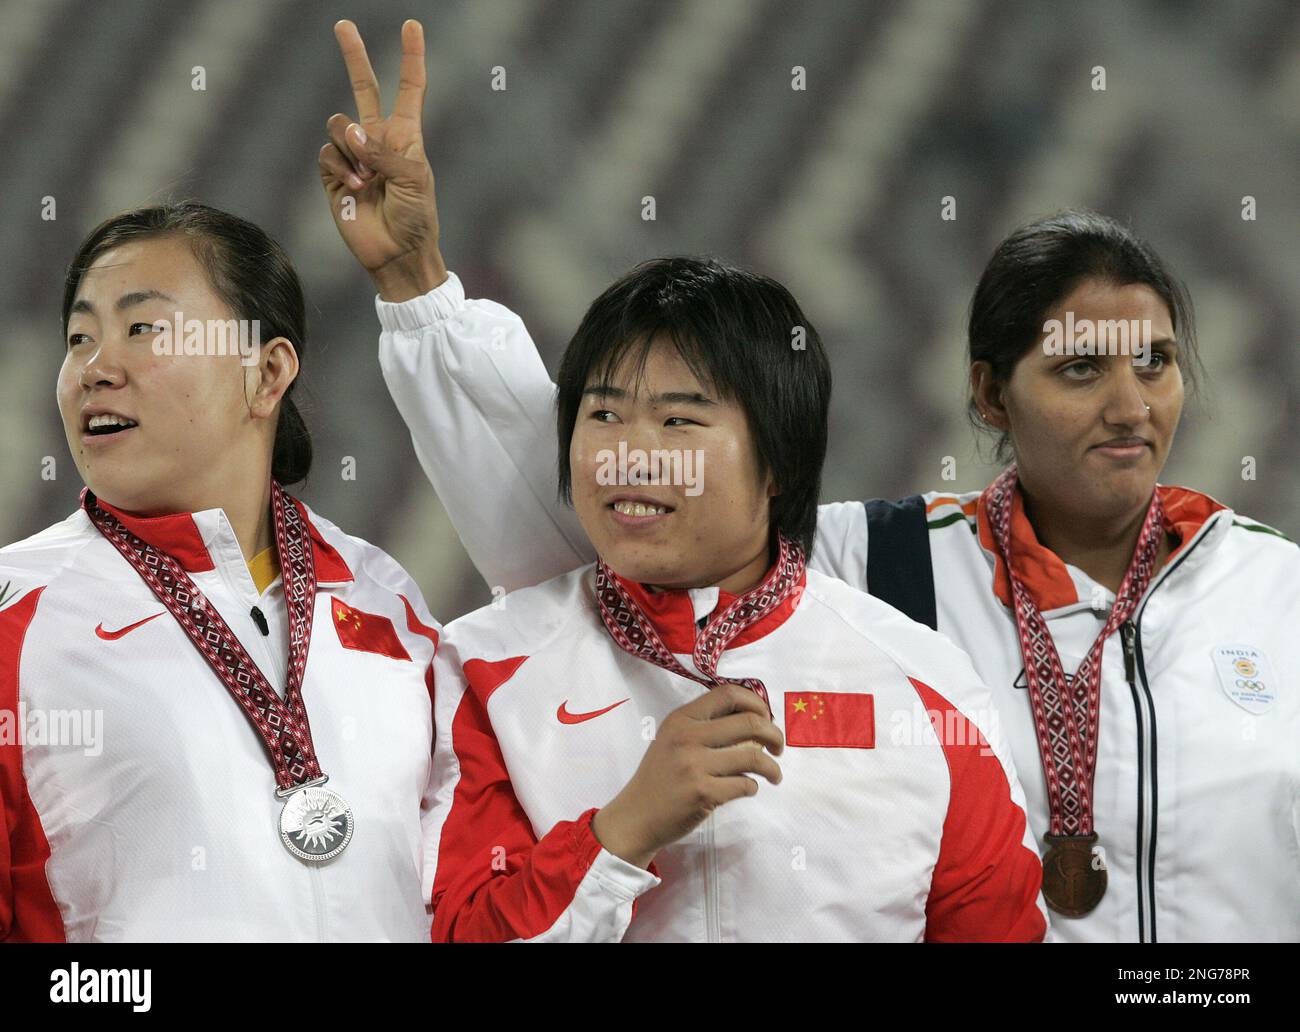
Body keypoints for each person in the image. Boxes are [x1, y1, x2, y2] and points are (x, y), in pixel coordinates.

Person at [320, 19, 1300, 943]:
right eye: (1080, 368)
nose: (1128, 405)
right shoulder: (864, 559)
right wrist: (417, 286)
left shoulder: (1266, 596)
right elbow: (564, 498)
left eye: (1157, 363)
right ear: (988, 394)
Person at [0, 202, 442, 942]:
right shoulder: (17, 619)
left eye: (143, 329)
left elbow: (461, 899)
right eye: (80, 338)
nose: (95, 369)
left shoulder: (385, 599)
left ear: (266, 372)